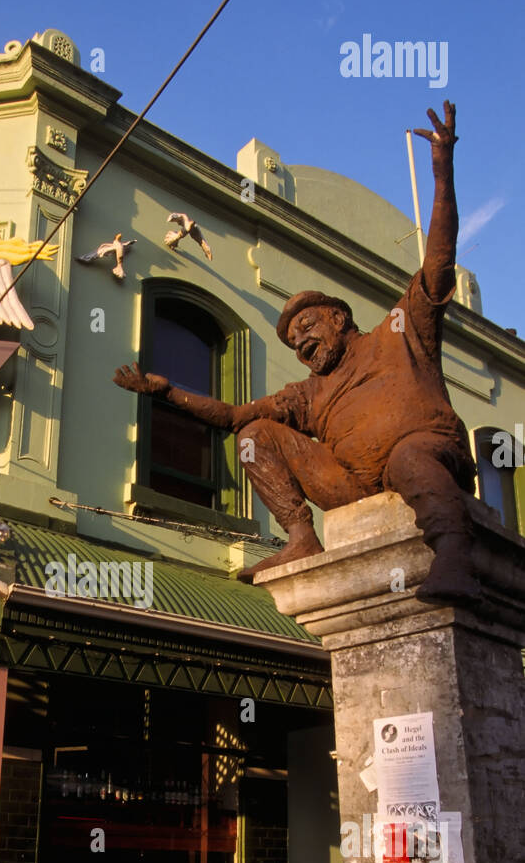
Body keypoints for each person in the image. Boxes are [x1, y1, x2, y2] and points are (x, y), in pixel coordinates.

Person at [113, 101, 480, 607]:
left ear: (338, 317)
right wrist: (167, 390)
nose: (301, 341)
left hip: (431, 452)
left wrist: (443, 171)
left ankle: (455, 553)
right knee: (253, 435)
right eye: (292, 341)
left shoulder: (398, 332)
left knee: (408, 455)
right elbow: (234, 415)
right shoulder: (308, 394)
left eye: (306, 326)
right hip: (356, 484)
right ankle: (301, 539)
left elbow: (439, 263)